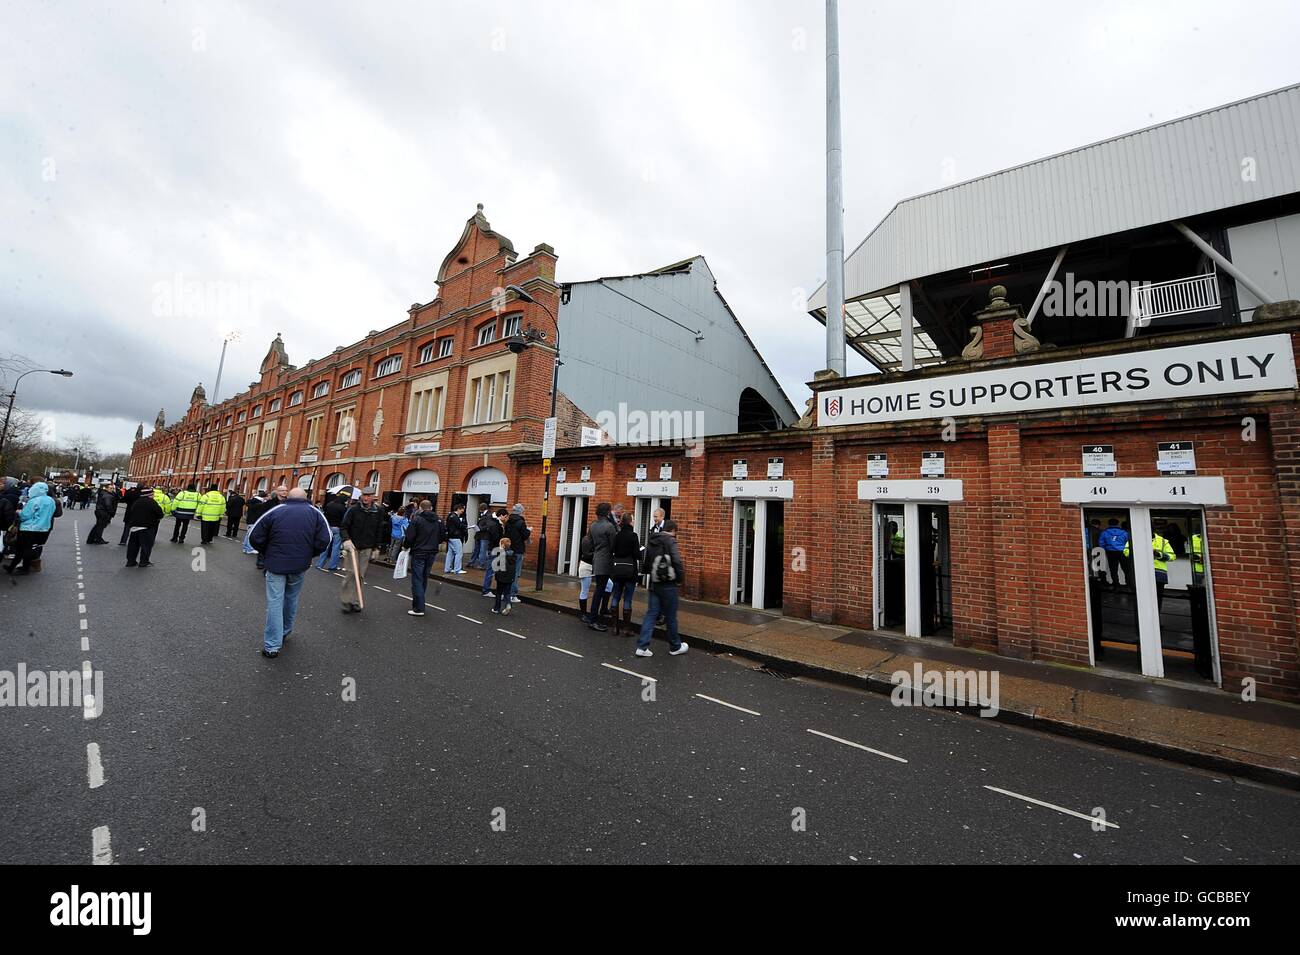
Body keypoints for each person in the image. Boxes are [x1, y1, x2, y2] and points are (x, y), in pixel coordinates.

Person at [249, 487, 331, 658]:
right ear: (306, 498)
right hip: (299, 564)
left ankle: (272, 645)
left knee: (275, 602)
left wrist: (267, 552)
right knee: (291, 599)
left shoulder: (276, 511)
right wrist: (310, 553)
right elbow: (325, 539)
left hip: (276, 564)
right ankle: (285, 631)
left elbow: (254, 536)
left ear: (288, 497)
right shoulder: (315, 513)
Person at [636, 518, 688, 657]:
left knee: (651, 614)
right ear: (673, 530)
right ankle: (675, 646)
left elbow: (646, 561)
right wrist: (680, 578)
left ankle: (642, 646)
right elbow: (676, 561)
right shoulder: (670, 540)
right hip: (668, 583)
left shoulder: (653, 540)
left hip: (654, 582)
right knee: (671, 616)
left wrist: (649, 576)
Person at [339, 489, 383, 613]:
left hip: (367, 547)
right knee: (351, 574)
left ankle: (356, 601)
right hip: (352, 547)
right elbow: (344, 527)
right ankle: (347, 601)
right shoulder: (353, 509)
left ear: (373, 497)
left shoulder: (378, 511)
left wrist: (377, 548)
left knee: (360, 575)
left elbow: (379, 530)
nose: (366, 498)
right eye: (364, 495)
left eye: (369, 496)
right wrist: (346, 540)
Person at [4, 481, 56, 575]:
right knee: (30, 548)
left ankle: (15, 567)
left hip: (29, 528)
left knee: (21, 548)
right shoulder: (51, 500)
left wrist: (19, 512)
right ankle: (23, 567)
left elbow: (25, 515)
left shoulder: (34, 501)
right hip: (43, 528)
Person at [403, 499, 443, 616]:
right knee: (424, 578)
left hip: (419, 552)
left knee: (417, 579)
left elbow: (410, 537)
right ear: (431, 508)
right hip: (432, 552)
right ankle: (419, 602)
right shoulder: (439, 520)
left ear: (420, 508)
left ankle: (419, 607)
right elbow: (442, 537)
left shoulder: (417, 520)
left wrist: (406, 547)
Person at [609, 512, 641, 636]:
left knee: (616, 596)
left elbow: (612, 550)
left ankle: (614, 627)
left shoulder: (617, 535)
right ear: (629, 521)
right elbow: (637, 555)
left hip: (617, 570)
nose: (634, 521)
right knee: (627, 599)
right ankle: (626, 628)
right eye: (633, 519)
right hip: (630, 571)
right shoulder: (633, 536)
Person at [587, 502, 617, 630]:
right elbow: (614, 545)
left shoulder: (593, 525)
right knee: (600, 590)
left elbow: (590, 542)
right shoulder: (609, 526)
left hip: (597, 559)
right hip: (605, 561)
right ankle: (593, 620)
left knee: (601, 589)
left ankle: (599, 613)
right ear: (608, 512)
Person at [123, 484, 165, 568]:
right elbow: (159, 513)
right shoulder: (152, 503)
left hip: (135, 527)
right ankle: (144, 561)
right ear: (149, 495)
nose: (153, 495)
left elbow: (132, 511)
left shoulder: (137, 502)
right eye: (152, 494)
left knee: (133, 545)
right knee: (146, 546)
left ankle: (130, 561)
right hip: (147, 527)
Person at [317, 489, 349, 571]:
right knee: (336, 548)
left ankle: (320, 564)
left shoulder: (329, 505)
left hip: (328, 527)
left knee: (326, 546)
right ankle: (332, 566)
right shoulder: (343, 508)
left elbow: (324, 514)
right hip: (337, 528)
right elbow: (345, 520)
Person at [505, 503, 531, 603]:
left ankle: (505, 593)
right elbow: (524, 535)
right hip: (518, 549)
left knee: (507, 571)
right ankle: (512, 594)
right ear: (520, 511)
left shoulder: (508, 521)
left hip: (508, 549)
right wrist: (528, 531)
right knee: (515, 572)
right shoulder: (521, 522)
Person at [480, 508, 507, 596]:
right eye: (505, 517)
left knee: (493, 570)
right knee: (491, 570)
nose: (506, 519)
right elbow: (496, 537)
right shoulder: (495, 524)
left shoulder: (494, 522)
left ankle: (488, 589)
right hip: (495, 549)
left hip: (493, 548)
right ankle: (486, 590)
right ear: (501, 515)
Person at [1098, 518, 1130, 590]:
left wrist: (1106, 548)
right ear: (1118, 524)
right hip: (1123, 552)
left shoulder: (1104, 532)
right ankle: (1129, 585)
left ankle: (1116, 586)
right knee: (1126, 569)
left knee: (1113, 569)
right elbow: (1128, 542)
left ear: (1109, 524)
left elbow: (1101, 543)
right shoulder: (1124, 532)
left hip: (1111, 552)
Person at [489, 535, 515, 615]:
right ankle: (508, 604)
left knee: (499, 593)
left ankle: (497, 608)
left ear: (502, 545)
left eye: (500, 544)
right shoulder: (513, 554)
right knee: (507, 592)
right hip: (510, 576)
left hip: (501, 576)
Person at [576, 530, 596, 622]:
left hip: (595, 566)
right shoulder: (586, 540)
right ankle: (583, 614)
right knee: (585, 590)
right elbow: (587, 554)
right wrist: (598, 553)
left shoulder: (596, 539)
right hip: (586, 566)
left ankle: (604, 609)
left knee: (609, 586)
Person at [243, 489, 268, 555]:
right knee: (250, 535)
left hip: (250, 519)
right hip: (254, 520)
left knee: (248, 534)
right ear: (264, 497)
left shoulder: (252, 501)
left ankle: (245, 548)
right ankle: (249, 549)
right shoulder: (260, 503)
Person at [444, 503, 468, 574]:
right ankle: (457, 569)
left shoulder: (450, 515)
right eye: (461, 510)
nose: (462, 512)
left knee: (450, 553)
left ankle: (447, 568)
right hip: (456, 537)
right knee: (459, 553)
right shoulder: (455, 517)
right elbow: (460, 525)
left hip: (450, 537)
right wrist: (465, 526)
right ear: (458, 509)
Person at [470, 503, 492, 568]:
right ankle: (472, 562)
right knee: (476, 549)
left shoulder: (489, 515)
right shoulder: (483, 514)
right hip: (479, 535)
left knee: (483, 550)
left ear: (482, 508)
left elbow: (488, 526)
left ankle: (482, 564)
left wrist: (480, 528)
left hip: (484, 536)